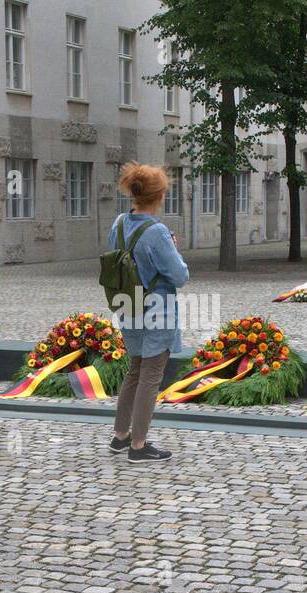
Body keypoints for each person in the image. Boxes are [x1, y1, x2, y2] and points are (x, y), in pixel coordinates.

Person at [107, 163, 189, 464]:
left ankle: (121, 436)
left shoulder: (118, 223)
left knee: (135, 369)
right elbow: (179, 275)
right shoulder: (157, 231)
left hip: (128, 304)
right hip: (157, 309)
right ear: (160, 195)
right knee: (151, 375)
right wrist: (174, 250)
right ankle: (139, 446)